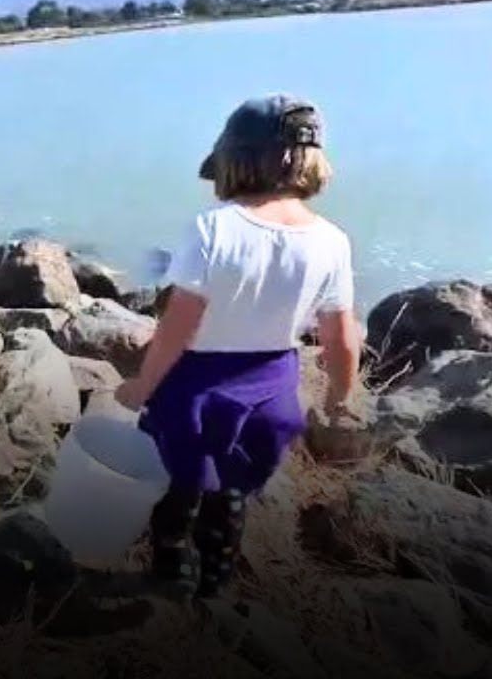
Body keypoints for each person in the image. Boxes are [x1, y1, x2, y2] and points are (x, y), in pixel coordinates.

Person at [114, 95, 361, 600]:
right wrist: (340, 396)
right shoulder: (332, 240)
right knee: (231, 492)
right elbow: (341, 337)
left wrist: (141, 387)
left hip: (195, 390)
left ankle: (171, 568)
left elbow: (178, 330)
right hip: (271, 393)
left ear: (234, 160)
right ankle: (215, 581)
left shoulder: (212, 229)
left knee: (180, 483)